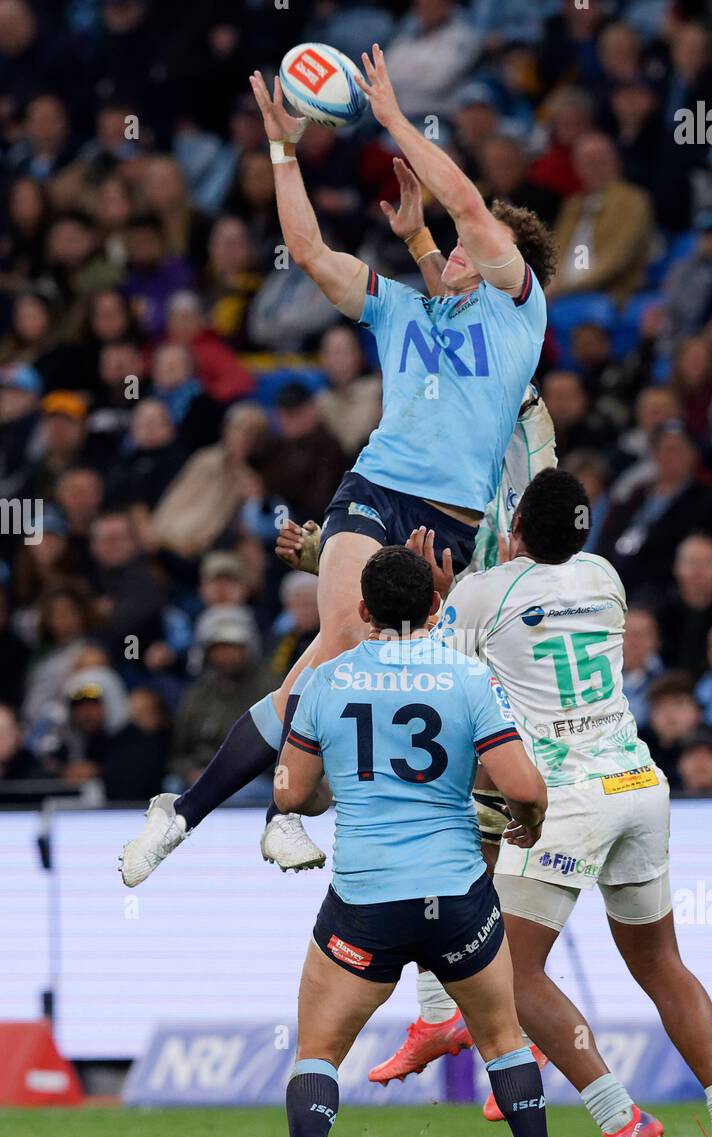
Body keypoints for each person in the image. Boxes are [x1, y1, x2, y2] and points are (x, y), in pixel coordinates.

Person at [120, 43, 557, 887]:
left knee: (343, 661)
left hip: (451, 522)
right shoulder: (404, 311)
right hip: (375, 487)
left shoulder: (517, 313)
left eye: (471, 247)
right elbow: (312, 254)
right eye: (453, 249)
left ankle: (194, 810)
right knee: (346, 634)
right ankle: (276, 816)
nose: (454, 251)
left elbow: (465, 204)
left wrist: (393, 120)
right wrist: (282, 149)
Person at [370, 470, 712, 1137]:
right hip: (638, 786)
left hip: (567, 796)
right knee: (662, 965)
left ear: (516, 522)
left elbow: (433, 670)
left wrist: (437, 598)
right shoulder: (605, 577)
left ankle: (620, 1118)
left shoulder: (488, 592)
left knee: (510, 972)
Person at [250, 546, 571, 1137]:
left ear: (362, 611)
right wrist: (527, 824)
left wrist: (341, 781)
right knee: (504, 1041)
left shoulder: (325, 682)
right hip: (457, 896)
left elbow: (296, 794)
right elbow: (523, 788)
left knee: (319, 1051)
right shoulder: (467, 677)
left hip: (366, 901)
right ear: (434, 606)